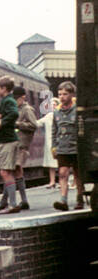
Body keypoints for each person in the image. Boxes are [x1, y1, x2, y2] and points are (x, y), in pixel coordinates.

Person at [0, 76, 21, 212]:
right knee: (7, 172)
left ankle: (13, 205)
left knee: (5, 172)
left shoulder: (9, 100)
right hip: (5, 140)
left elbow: (14, 113)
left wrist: (1, 122)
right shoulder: (6, 101)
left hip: (7, 140)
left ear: (3, 88)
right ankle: (8, 203)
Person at [53, 81, 80, 210]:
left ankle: (79, 199)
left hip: (76, 146)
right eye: (59, 94)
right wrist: (54, 146)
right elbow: (54, 130)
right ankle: (63, 201)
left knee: (77, 173)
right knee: (63, 173)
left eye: (65, 94)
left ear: (71, 94)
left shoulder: (77, 109)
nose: (62, 97)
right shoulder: (56, 112)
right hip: (62, 147)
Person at [11, 85, 38, 210]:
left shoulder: (27, 109)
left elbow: (33, 125)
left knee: (16, 169)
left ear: (23, 97)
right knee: (14, 170)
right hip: (15, 144)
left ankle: (22, 200)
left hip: (22, 144)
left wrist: (18, 124)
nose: (15, 100)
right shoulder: (15, 108)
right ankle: (21, 200)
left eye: (17, 98)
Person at [41, 96, 58, 191]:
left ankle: (64, 181)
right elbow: (38, 123)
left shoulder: (61, 115)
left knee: (62, 163)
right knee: (51, 164)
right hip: (50, 143)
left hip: (59, 142)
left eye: (55, 104)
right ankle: (52, 181)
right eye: (51, 105)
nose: (53, 106)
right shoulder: (48, 116)